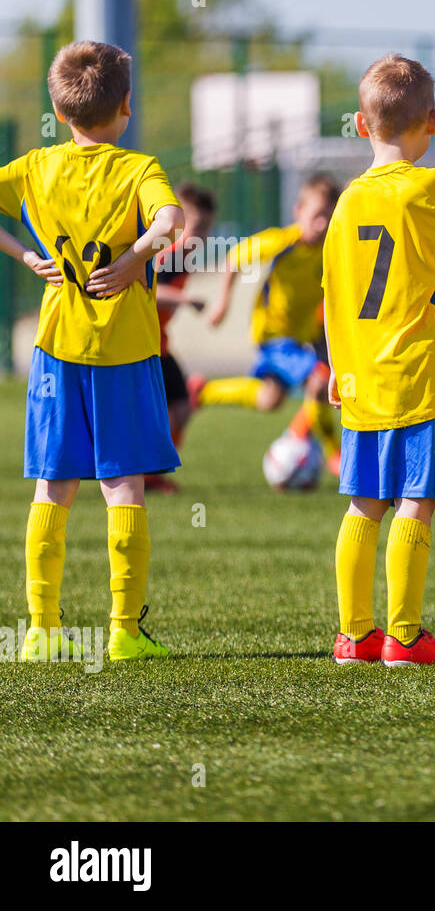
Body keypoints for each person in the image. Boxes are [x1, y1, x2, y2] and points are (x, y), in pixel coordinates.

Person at [0, 41, 184, 662]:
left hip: (55, 348)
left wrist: (23, 253)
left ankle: (41, 631)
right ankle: (125, 631)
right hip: (125, 351)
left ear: (59, 107)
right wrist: (136, 258)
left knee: (52, 487)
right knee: (123, 487)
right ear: (125, 106)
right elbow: (171, 222)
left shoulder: (34, 167)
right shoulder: (139, 169)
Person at [323, 54, 435, 667]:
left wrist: (335, 365)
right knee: (416, 499)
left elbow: (332, 292)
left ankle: (354, 635)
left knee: (362, 503)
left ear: (360, 124)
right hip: (419, 372)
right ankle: (405, 637)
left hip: (358, 373)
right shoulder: (434, 186)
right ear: (432, 120)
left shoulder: (346, 200)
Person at [192, 173, 343, 472]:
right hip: (274, 334)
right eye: (316, 216)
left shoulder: (331, 249)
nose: (322, 224)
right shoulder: (282, 241)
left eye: (328, 216)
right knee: (318, 382)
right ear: (298, 212)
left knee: (270, 398)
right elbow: (234, 258)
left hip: (306, 335)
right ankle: (333, 455)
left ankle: (203, 391)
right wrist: (223, 303)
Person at [147, 182, 215, 493]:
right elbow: (146, 292)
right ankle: (142, 475)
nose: (201, 236)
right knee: (153, 414)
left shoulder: (186, 256)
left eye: (206, 229)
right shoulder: (167, 254)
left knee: (182, 408)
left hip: (158, 344)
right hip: (140, 346)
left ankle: (153, 474)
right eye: (196, 226)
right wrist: (185, 300)